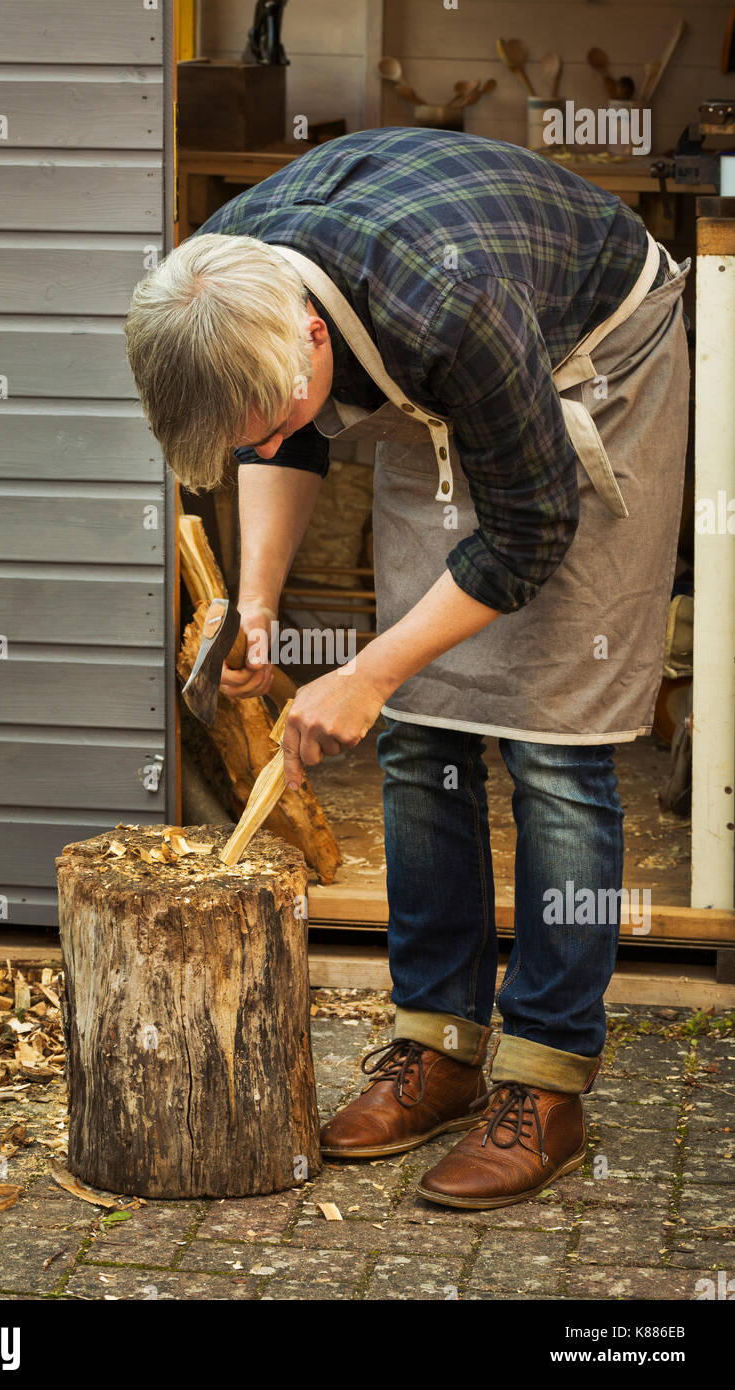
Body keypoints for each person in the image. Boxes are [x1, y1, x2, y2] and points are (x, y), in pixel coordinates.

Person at [124, 127, 689, 1209]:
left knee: (552, 739)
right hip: (437, 360)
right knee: (421, 725)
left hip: (595, 356)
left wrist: (364, 672)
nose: (281, 427)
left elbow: (528, 529)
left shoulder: (446, 304)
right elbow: (278, 436)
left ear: (309, 338)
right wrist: (257, 606)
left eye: (285, 404)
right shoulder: (224, 285)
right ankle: (435, 1043)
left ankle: (546, 1078)